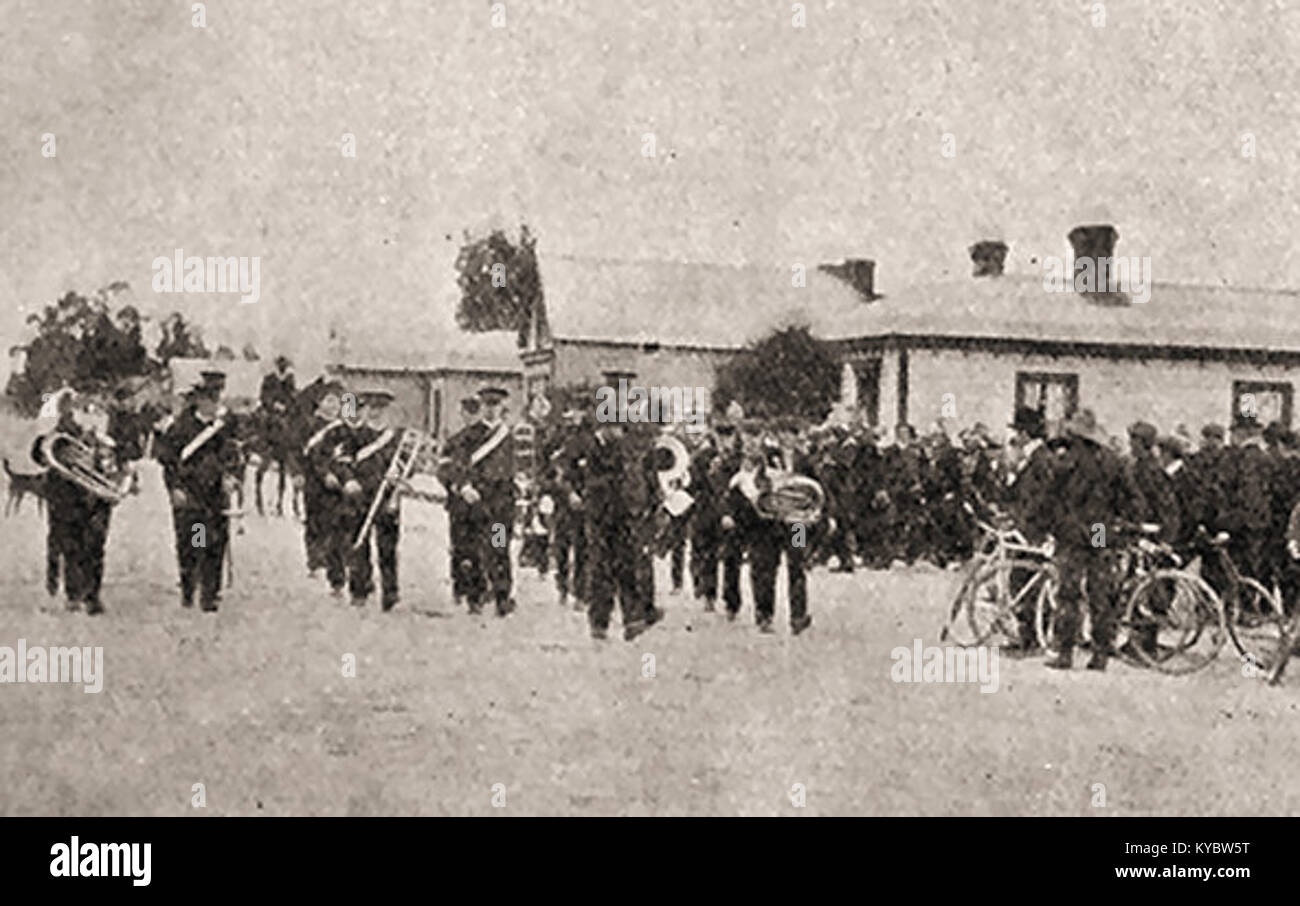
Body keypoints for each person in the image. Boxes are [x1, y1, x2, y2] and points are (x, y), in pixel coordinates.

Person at [1042, 409, 1133, 671]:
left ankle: (1065, 652)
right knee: (1099, 592)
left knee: (1068, 593)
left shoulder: (1065, 461)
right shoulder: (1113, 461)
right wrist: (1115, 523)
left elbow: (1051, 498)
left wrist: (1053, 525)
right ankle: (1100, 654)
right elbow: (1129, 498)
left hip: (1072, 531)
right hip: (1099, 530)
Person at [156, 371, 242, 612]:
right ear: (200, 401)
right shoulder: (182, 427)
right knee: (195, 542)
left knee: (216, 544)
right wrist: (175, 488)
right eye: (211, 400)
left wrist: (232, 477)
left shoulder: (223, 428)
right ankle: (189, 588)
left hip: (216, 496)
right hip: (192, 497)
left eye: (218, 399)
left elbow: (234, 457)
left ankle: (210, 594)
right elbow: (169, 462)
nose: (216, 405)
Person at [34, 391, 118, 614]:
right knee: (70, 546)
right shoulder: (57, 431)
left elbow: (120, 459)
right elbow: (39, 454)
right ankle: (73, 594)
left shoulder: (103, 430)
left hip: (96, 498)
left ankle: (92, 596)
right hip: (66, 498)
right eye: (77, 406)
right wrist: (57, 451)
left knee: (95, 546)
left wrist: (114, 470)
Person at [443, 386, 517, 617]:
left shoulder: (510, 437)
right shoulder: (467, 436)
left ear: (502, 407)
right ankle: (474, 597)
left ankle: (502, 597)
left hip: (500, 507)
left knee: (499, 549)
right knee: (473, 551)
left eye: (495, 405)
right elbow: (455, 466)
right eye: (487, 405)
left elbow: (520, 469)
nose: (491, 410)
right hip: (476, 504)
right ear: (481, 406)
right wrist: (464, 486)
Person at [347, 389, 404, 610]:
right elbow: (343, 461)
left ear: (387, 411)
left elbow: (408, 463)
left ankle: (390, 593)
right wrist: (349, 480)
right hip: (360, 495)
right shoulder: (354, 435)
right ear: (364, 410)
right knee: (359, 544)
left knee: (387, 547)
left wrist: (398, 473)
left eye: (380, 409)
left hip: (387, 497)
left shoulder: (396, 437)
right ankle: (359, 589)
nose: (375, 413)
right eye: (371, 408)